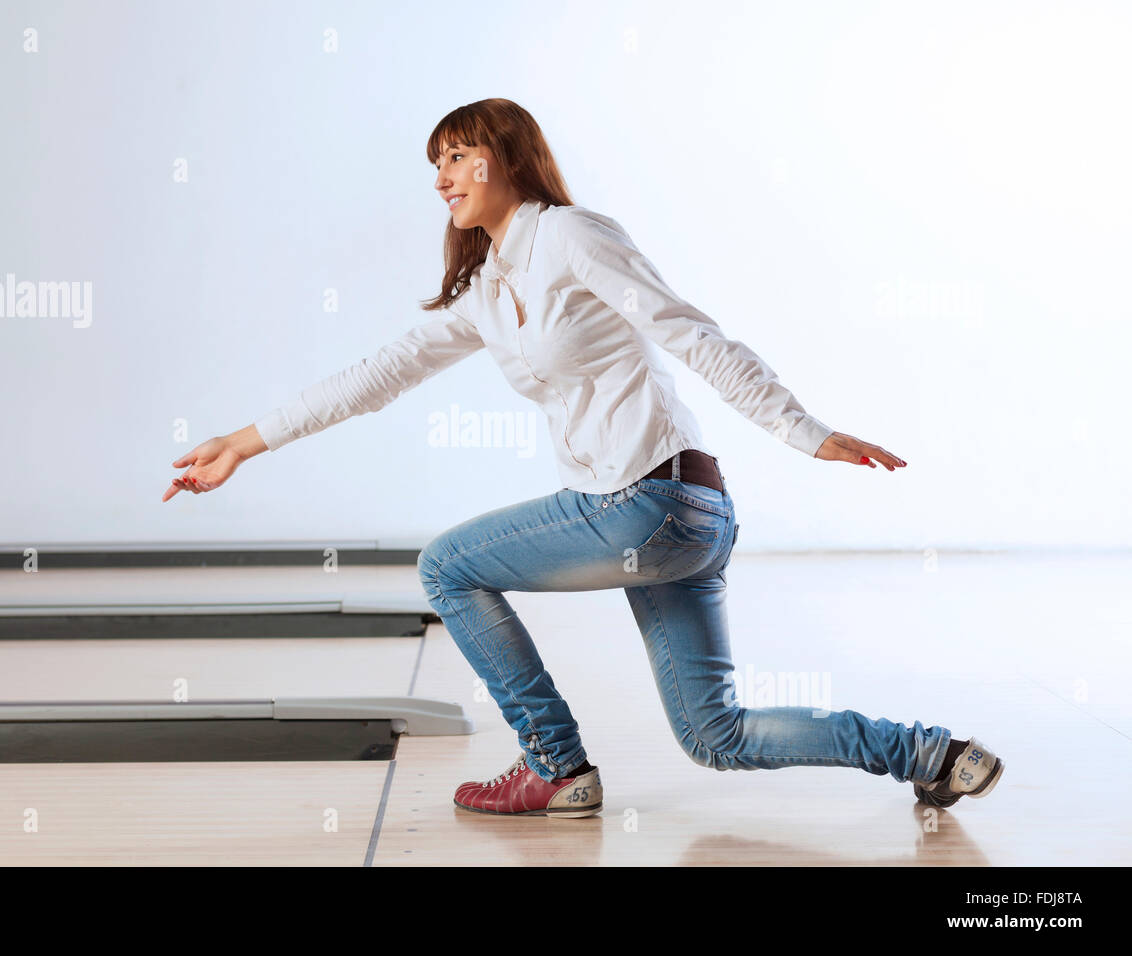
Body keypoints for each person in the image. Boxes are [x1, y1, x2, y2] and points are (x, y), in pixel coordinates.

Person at [162, 98, 1003, 819]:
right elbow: (381, 373)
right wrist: (243, 441)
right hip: (675, 517)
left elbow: (687, 330)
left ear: (502, 158)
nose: (441, 178)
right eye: (437, 165)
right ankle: (933, 754)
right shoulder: (489, 289)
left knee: (448, 566)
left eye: (455, 157)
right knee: (718, 737)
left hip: (649, 503)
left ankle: (553, 766)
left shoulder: (571, 236)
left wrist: (801, 430)